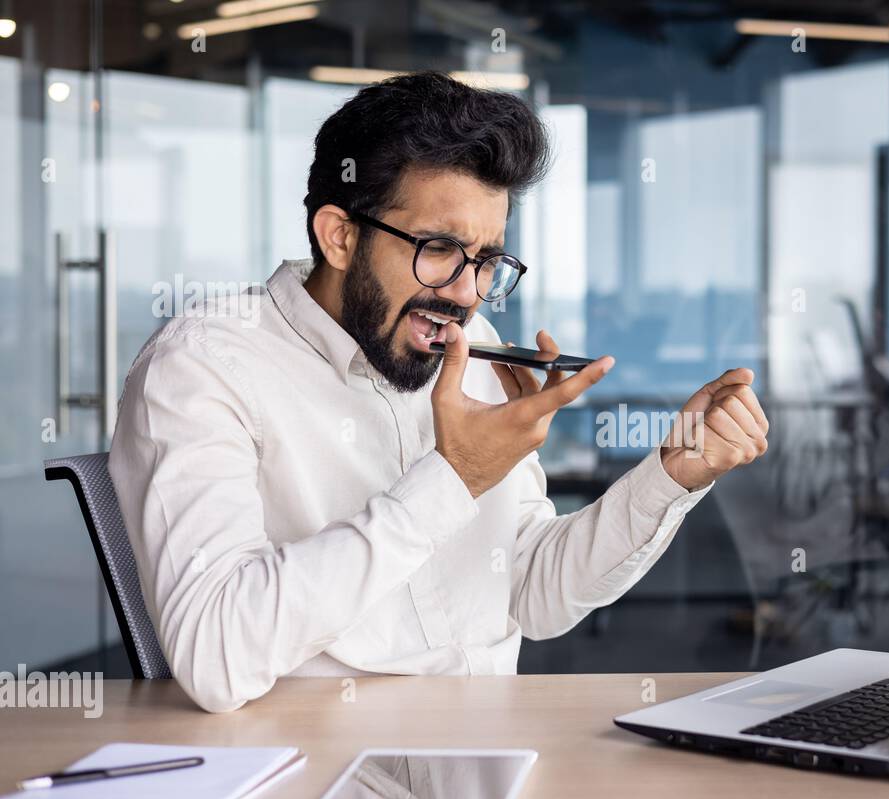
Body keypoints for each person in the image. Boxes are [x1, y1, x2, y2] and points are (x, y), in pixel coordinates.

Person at [108, 71, 768, 713]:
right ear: (340, 235)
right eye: (439, 248)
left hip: (488, 753)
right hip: (313, 780)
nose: (465, 292)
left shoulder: (464, 346)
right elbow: (216, 655)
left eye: (485, 260)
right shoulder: (204, 365)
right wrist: (452, 480)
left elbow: (532, 592)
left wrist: (671, 477)